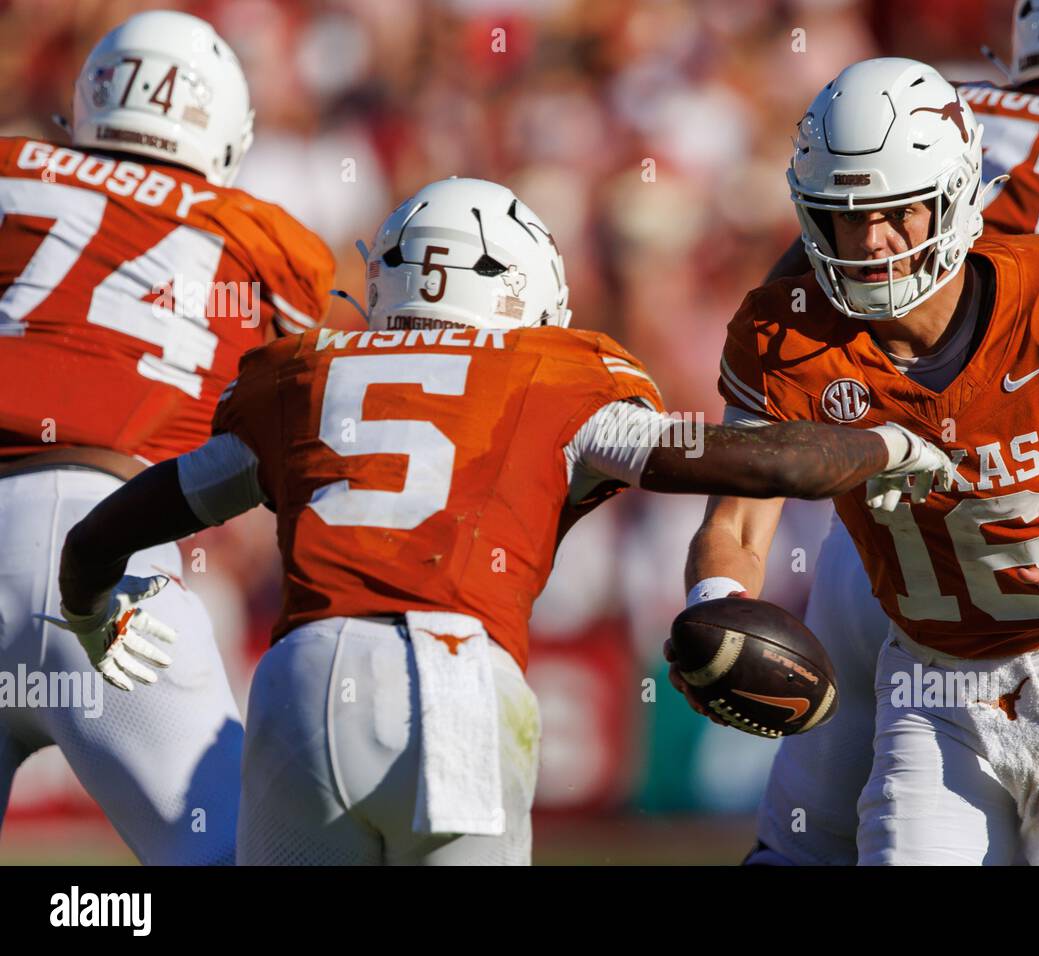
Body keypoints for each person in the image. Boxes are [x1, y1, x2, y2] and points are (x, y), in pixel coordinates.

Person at [51, 176, 956, 865]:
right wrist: (894, 447)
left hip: (301, 678)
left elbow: (103, 530)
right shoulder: (554, 372)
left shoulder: (303, 376)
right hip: (452, 676)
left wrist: (91, 608)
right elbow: (767, 460)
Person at [680, 56, 1039, 865]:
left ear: (955, 195)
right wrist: (716, 611)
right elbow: (738, 527)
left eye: (897, 212)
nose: (871, 241)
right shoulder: (783, 337)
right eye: (844, 217)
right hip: (934, 689)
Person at [0, 10, 334, 864]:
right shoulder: (270, 241)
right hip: (113, 552)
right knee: (232, 855)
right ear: (224, 133)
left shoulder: (11, 166)